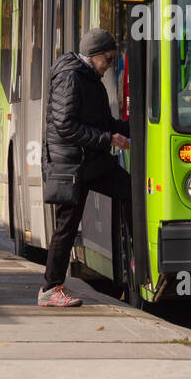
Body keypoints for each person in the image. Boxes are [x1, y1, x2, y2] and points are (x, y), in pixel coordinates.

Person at [40, 28, 131, 308]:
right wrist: (107, 139)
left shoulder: (89, 77)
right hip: (72, 164)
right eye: (109, 59)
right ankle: (49, 289)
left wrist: (135, 126)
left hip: (91, 162)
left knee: (132, 193)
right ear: (95, 56)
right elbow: (65, 125)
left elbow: (102, 121)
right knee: (66, 227)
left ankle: (137, 263)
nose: (110, 66)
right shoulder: (71, 77)